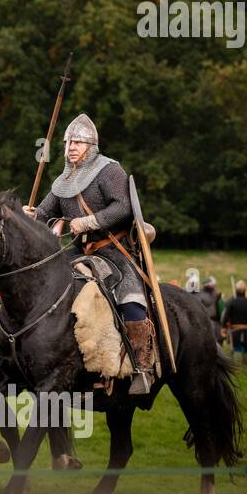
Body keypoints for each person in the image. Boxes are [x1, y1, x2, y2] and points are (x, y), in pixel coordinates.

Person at [24, 113, 156, 395]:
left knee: (130, 298)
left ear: (91, 145)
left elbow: (123, 206)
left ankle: (143, 367)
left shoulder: (108, 170)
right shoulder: (63, 180)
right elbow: (46, 213)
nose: (71, 146)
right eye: (68, 142)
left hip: (113, 249)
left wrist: (90, 221)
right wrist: (28, 216)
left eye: (78, 142)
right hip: (78, 250)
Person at [222, 280, 247, 373]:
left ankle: (238, 369)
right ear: (245, 291)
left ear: (236, 291)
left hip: (235, 330)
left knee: (237, 348)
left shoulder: (231, 302)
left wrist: (223, 327)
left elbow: (226, 316)